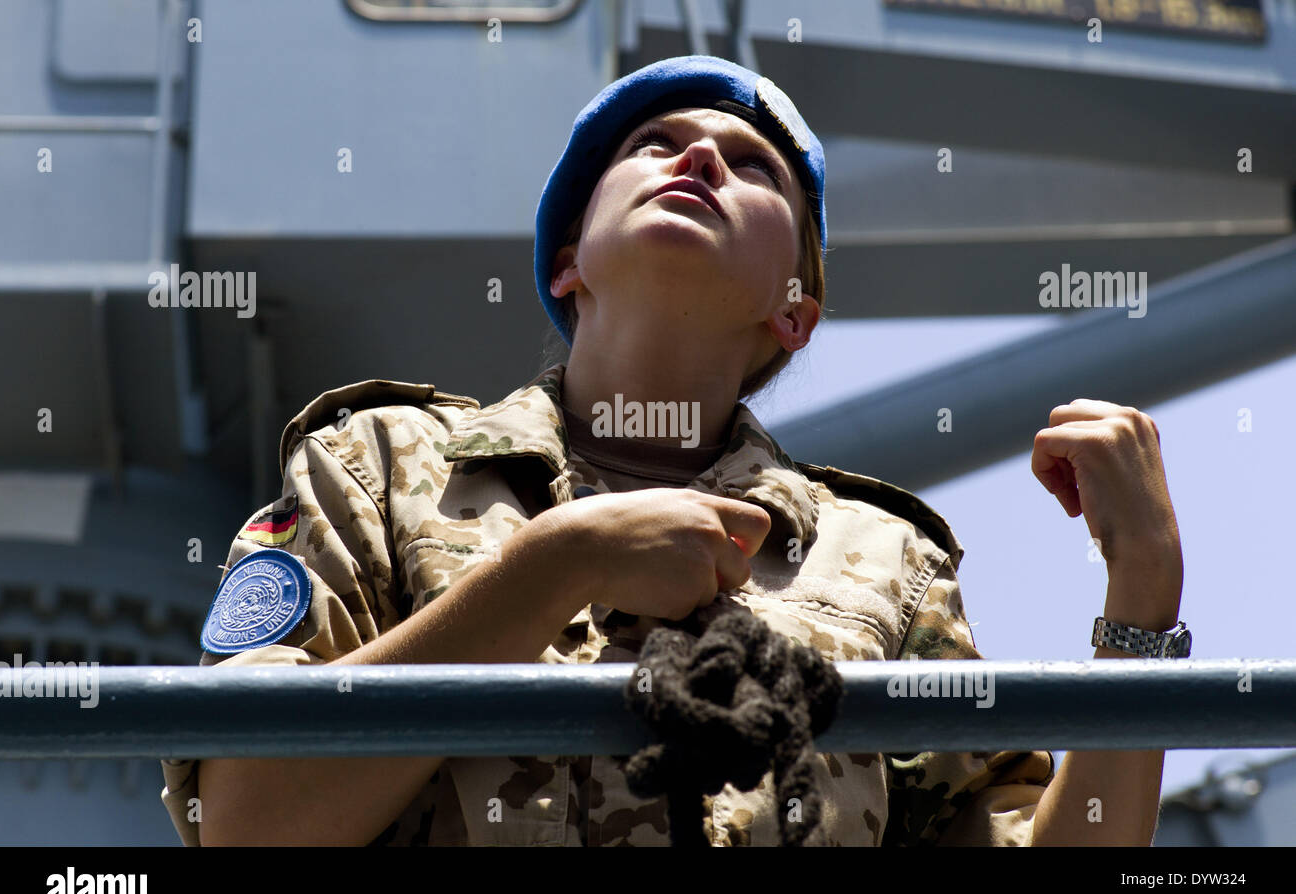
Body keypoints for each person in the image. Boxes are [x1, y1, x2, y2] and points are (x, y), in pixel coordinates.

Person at [160, 54, 1183, 847]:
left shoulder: (887, 563)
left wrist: (1139, 603)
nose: (698, 158)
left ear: (794, 313)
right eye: (653, 143)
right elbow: (244, 823)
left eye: (752, 167)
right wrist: (555, 565)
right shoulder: (379, 464)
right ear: (567, 263)